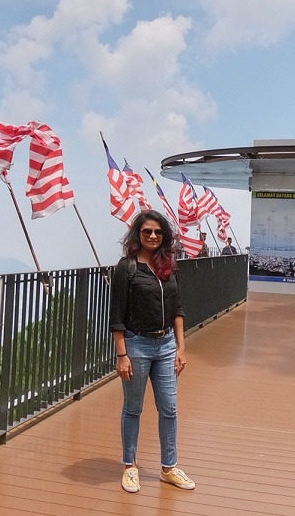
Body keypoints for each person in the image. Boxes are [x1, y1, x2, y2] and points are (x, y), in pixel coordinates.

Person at [110, 210, 196, 493]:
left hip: (167, 345)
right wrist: (122, 355)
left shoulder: (168, 266)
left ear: (164, 236)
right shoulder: (127, 267)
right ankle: (129, 465)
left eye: (158, 232)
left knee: (169, 409)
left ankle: (169, 468)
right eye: (147, 231)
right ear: (138, 234)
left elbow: (178, 310)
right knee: (133, 408)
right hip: (137, 345)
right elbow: (117, 317)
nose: (153, 236)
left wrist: (181, 348)